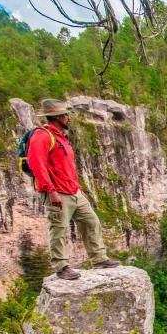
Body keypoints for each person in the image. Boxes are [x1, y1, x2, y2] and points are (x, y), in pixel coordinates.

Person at [28, 99, 119, 280]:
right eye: (65, 115)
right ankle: (61, 266)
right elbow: (36, 164)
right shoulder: (43, 136)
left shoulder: (61, 137)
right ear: (58, 117)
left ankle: (99, 258)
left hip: (73, 191)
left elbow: (67, 167)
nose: (68, 118)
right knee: (59, 229)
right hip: (57, 193)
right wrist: (50, 190)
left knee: (91, 222)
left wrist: (79, 189)